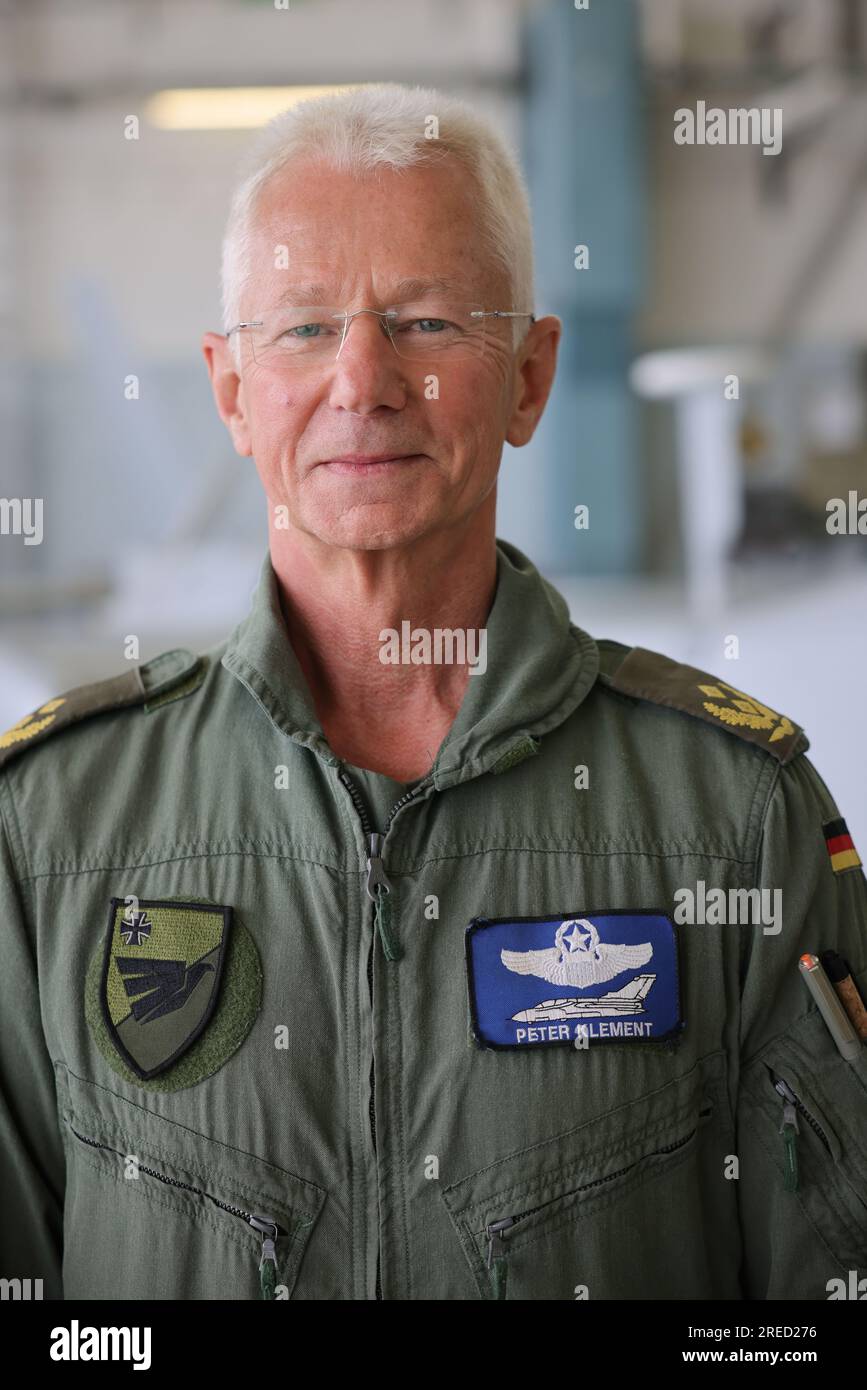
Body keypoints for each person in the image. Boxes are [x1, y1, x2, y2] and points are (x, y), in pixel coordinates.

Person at [1, 83, 865, 1303]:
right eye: (302, 327)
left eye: (424, 321)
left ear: (527, 375)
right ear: (232, 389)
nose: (363, 380)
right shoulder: (46, 836)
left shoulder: (736, 817)